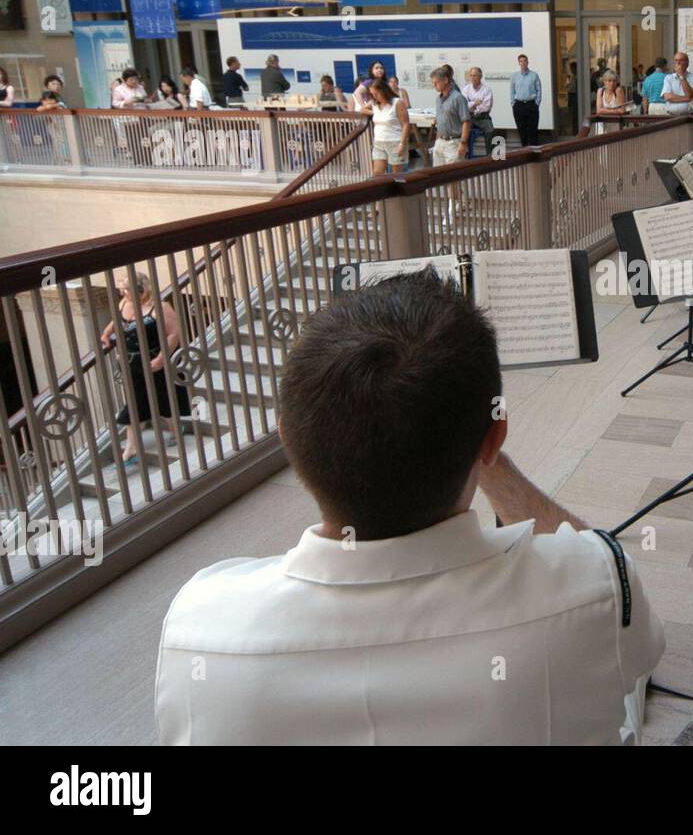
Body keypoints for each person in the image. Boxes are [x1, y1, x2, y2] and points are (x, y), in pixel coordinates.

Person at [155, 272, 665, 745]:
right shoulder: (597, 586)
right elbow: (639, 639)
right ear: (492, 440)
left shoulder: (197, 626)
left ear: (290, 440)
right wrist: (490, 459)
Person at [99, 270, 190, 471]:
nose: (123, 294)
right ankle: (131, 449)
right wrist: (106, 334)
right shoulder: (125, 304)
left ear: (141, 290)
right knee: (136, 402)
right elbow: (117, 321)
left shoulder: (159, 307)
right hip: (132, 362)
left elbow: (174, 333)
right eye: (122, 289)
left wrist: (161, 359)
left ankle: (174, 429)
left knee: (162, 397)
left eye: (127, 290)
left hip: (154, 360)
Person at [367, 77, 411, 176]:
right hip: (379, 142)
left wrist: (402, 144)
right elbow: (362, 109)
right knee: (377, 173)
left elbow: (405, 124)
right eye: (372, 94)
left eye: (376, 93)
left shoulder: (397, 102)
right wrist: (373, 112)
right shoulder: (374, 103)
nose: (375, 96)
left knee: (397, 175)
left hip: (394, 141)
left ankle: (398, 191)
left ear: (383, 91)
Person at [430, 66, 471, 165]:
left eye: (436, 82)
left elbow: (466, 121)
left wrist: (463, 143)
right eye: (433, 83)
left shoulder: (458, 98)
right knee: (438, 175)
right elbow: (441, 120)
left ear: (445, 80)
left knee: (454, 176)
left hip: (454, 142)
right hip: (440, 141)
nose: (434, 85)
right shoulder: (438, 99)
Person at [510, 53, 542, 147]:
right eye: (521, 61)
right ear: (518, 63)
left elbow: (539, 90)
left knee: (533, 129)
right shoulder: (514, 76)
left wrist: (537, 103)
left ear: (528, 62)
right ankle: (524, 149)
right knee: (521, 129)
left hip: (531, 105)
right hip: (519, 105)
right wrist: (513, 103)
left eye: (525, 61)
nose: (523, 63)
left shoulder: (534, 75)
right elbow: (512, 91)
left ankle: (534, 151)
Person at [462, 66, 494, 157]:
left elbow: (486, 106)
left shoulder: (486, 90)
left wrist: (471, 105)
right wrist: (475, 103)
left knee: (490, 130)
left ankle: (489, 154)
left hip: (483, 117)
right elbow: (464, 104)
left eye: (475, 75)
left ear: (480, 76)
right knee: (462, 129)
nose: (472, 78)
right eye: (471, 75)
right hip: (469, 116)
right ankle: (465, 152)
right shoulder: (466, 89)